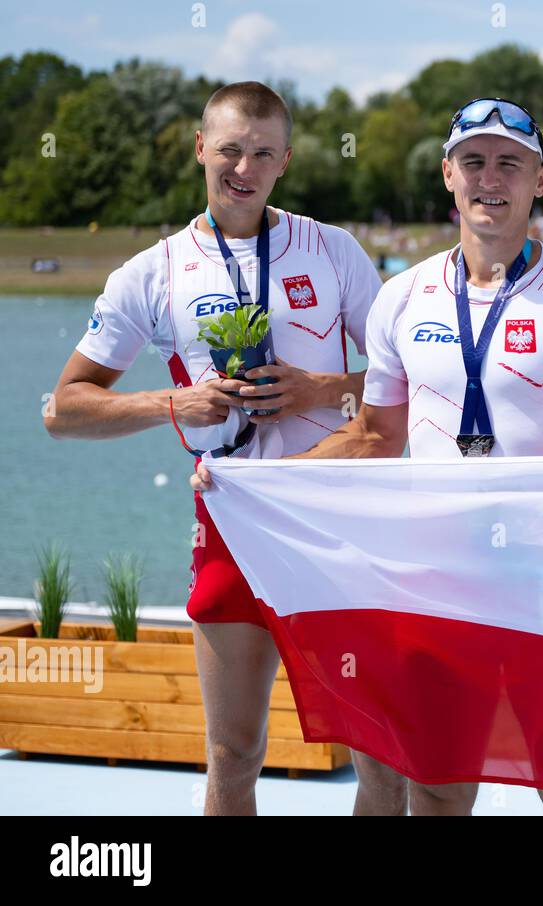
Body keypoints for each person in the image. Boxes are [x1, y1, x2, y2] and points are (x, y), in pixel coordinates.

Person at [195, 97, 543, 815]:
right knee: (437, 792)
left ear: (541, 180)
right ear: (448, 175)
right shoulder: (403, 297)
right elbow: (377, 434)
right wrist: (257, 482)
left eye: (511, 163)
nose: (490, 178)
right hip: (438, 579)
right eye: (473, 162)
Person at [45, 81, 405, 816]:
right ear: (200, 148)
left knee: (381, 756)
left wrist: (320, 390)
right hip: (231, 522)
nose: (244, 166)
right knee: (234, 755)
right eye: (231, 149)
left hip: (337, 519)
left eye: (263, 153)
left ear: (286, 162)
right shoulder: (154, 270)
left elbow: (408, 386)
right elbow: (64, 408)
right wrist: (171, 403)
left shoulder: (333, 251)